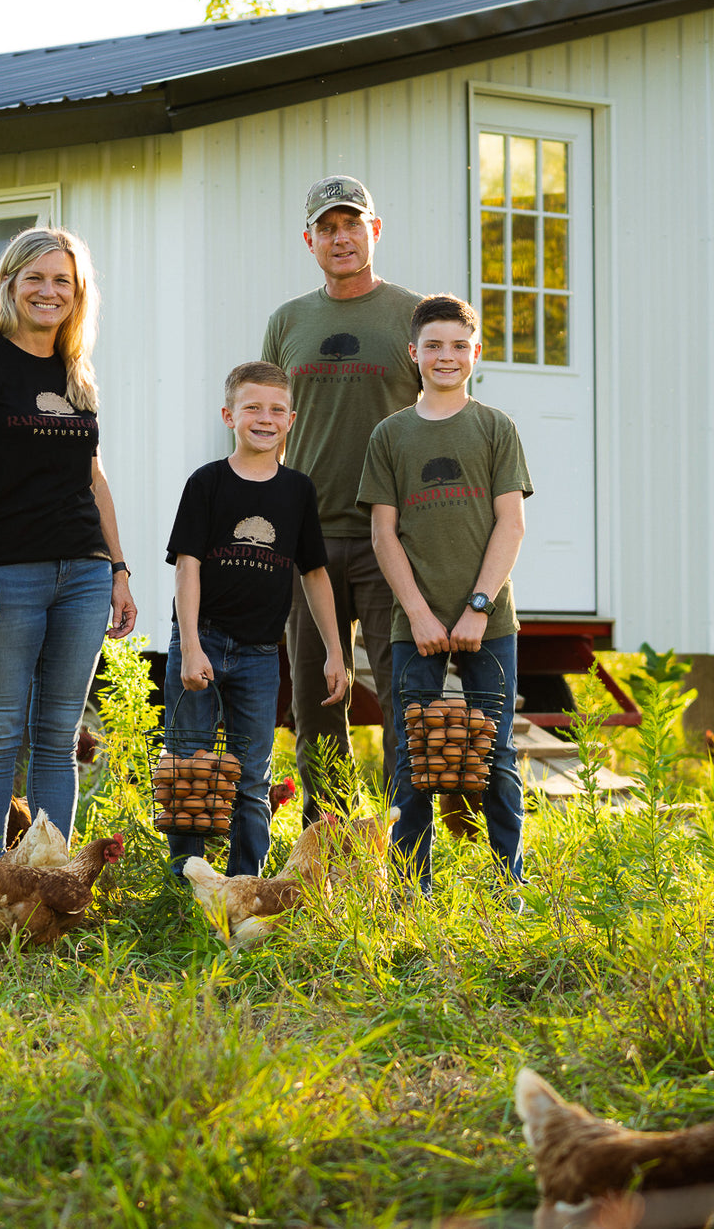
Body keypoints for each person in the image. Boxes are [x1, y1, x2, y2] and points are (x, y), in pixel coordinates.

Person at [0, 226, 137, 870]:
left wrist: (119, 570)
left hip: (83, 572)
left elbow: (93, 477)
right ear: (10, 284)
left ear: (78, 297)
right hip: (4, 573)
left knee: (58, 737)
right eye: (37, 278)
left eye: (63, 282)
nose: (49, 292)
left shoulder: (76, 374)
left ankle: (50, 879)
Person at [357, 292, 533, 896]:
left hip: (491, 621)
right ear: (413, 354)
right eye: (433, 345)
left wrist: (478, 608)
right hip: (415, 627)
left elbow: (511, 524)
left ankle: (507, 887)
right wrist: (419, 613)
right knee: (412, 757)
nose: (446, 356)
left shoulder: (495, 428)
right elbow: (383, 533)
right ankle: (412, 893)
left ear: (476, 353)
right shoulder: (390, 435)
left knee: (496, 755)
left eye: (459, 345)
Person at [262, 174, 420, 824]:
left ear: (374, 231)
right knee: (315, 705)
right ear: (310, 241)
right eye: (327, 228)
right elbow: (266, 421)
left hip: (393, 538)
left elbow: (448, 412)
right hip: (309, 543)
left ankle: (406, 852)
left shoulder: (414, 314)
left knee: (403, 699)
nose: (341, 237)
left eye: (352, 224)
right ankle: (329, 855)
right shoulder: (288, 322)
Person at [164, 361, 347, 878]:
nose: (264, 418)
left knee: (251, 777)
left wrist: (336, 650)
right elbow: (188, 568)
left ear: (291, 419)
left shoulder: (297, 491)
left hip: (261, 655)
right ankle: (188, 882)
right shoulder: (207, 483)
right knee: (190, 768)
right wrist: (193, 645)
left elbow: (313, 574)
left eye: (275, 410)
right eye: (252, 408)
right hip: (201, 642)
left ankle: (248, 885)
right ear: (229, 415)